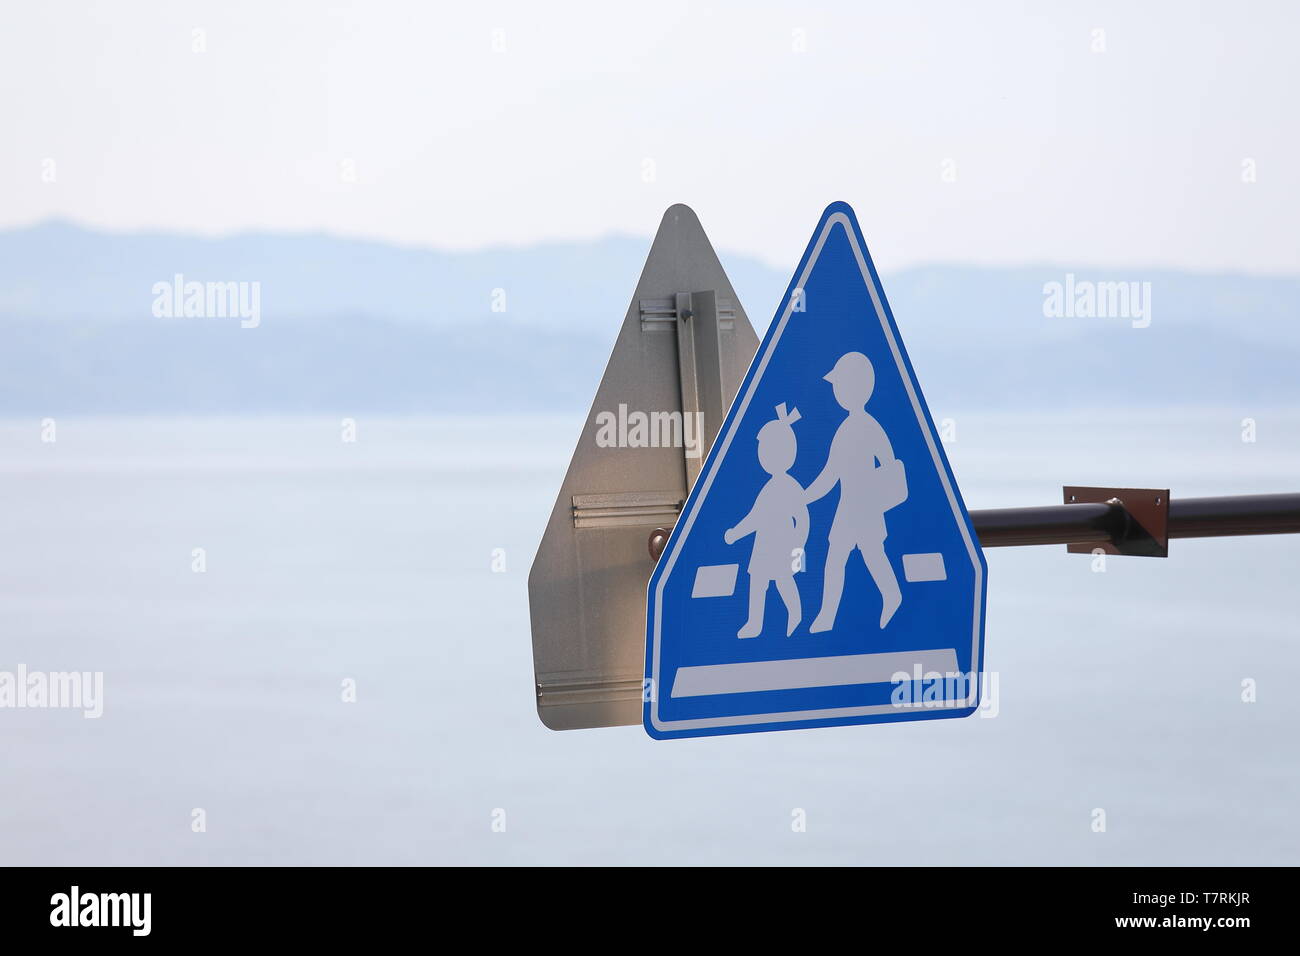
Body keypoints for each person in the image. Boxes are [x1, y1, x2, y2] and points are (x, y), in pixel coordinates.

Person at [805, 352, 905, 631]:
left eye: (840, 385)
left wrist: (879, 494)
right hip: (848, 508)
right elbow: (830, 474)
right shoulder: (845, 429)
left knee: (868, 555)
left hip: (866, 507)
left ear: (855, 387)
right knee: (839, 558)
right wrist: (804, 497)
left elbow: (889, 464)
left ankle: (891, 596)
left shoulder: (868, 426)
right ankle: (827, 616)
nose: (836, 391)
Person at [725, 404, 809, 638]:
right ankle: (754, 623)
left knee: (784, 580)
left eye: (768, 450)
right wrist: (735, 533)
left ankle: (796, 614)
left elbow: (803, 519)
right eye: (763, 451)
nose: (764, 456)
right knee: (758, 580)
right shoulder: (768, 488)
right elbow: (755, 517)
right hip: (763, 545)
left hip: (785, 545)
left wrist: (798, 549)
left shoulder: (791, 487)